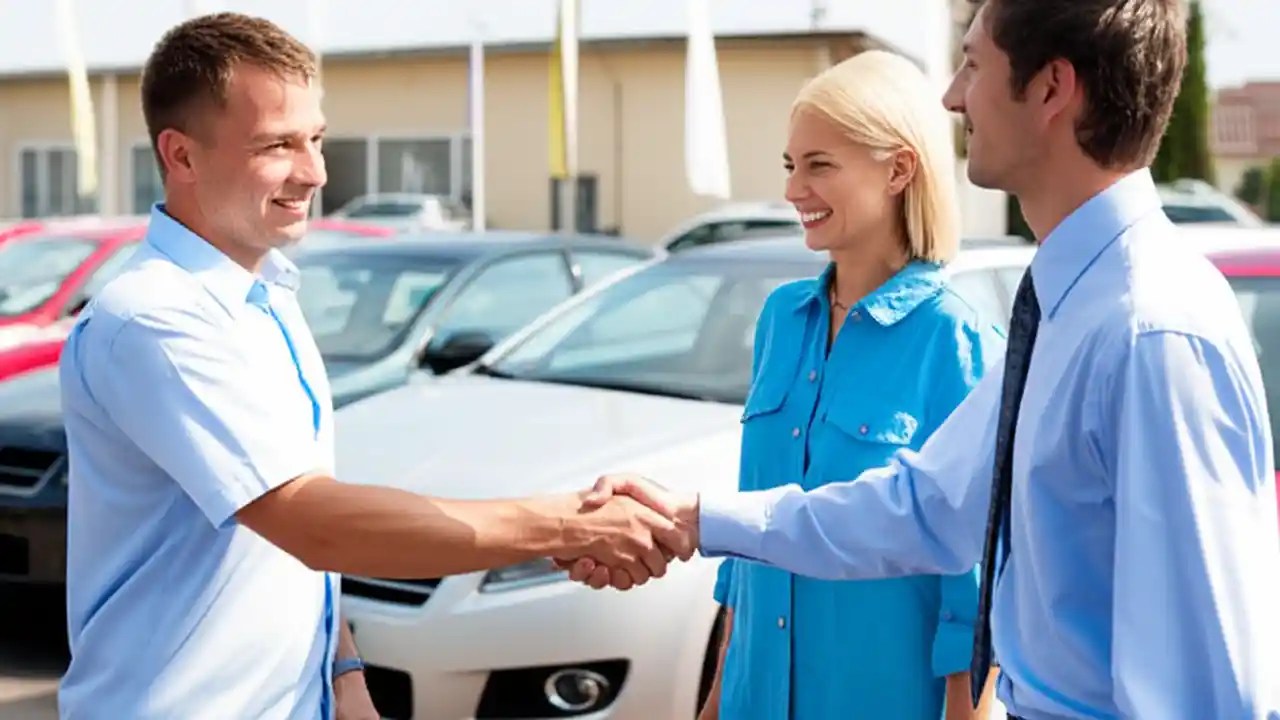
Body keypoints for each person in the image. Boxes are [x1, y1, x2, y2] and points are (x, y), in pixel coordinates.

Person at [568, 1, 1280, 718]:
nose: (950, 96)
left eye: (973, 65)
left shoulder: (1149, 331)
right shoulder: (1074, 303)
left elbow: (1211, 689)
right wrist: (696, 518)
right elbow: (924, 507)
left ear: (1051, 88)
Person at [56, 13, 687, 720]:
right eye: (279, 145)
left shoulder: (265, 296)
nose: (314, 172)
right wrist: (571, 526)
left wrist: (345, 673)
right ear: (181, 155)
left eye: (316, 139)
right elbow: (311, 522)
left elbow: (302, 527)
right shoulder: (155, 319)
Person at [692, 50, 1004, 720]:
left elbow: (973, 594)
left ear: (898, 169)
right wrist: (717, 701)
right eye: (790, 165)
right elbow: (750, 547)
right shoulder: (781, 320)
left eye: (819, 165)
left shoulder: (956, 342)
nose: (793, 189)